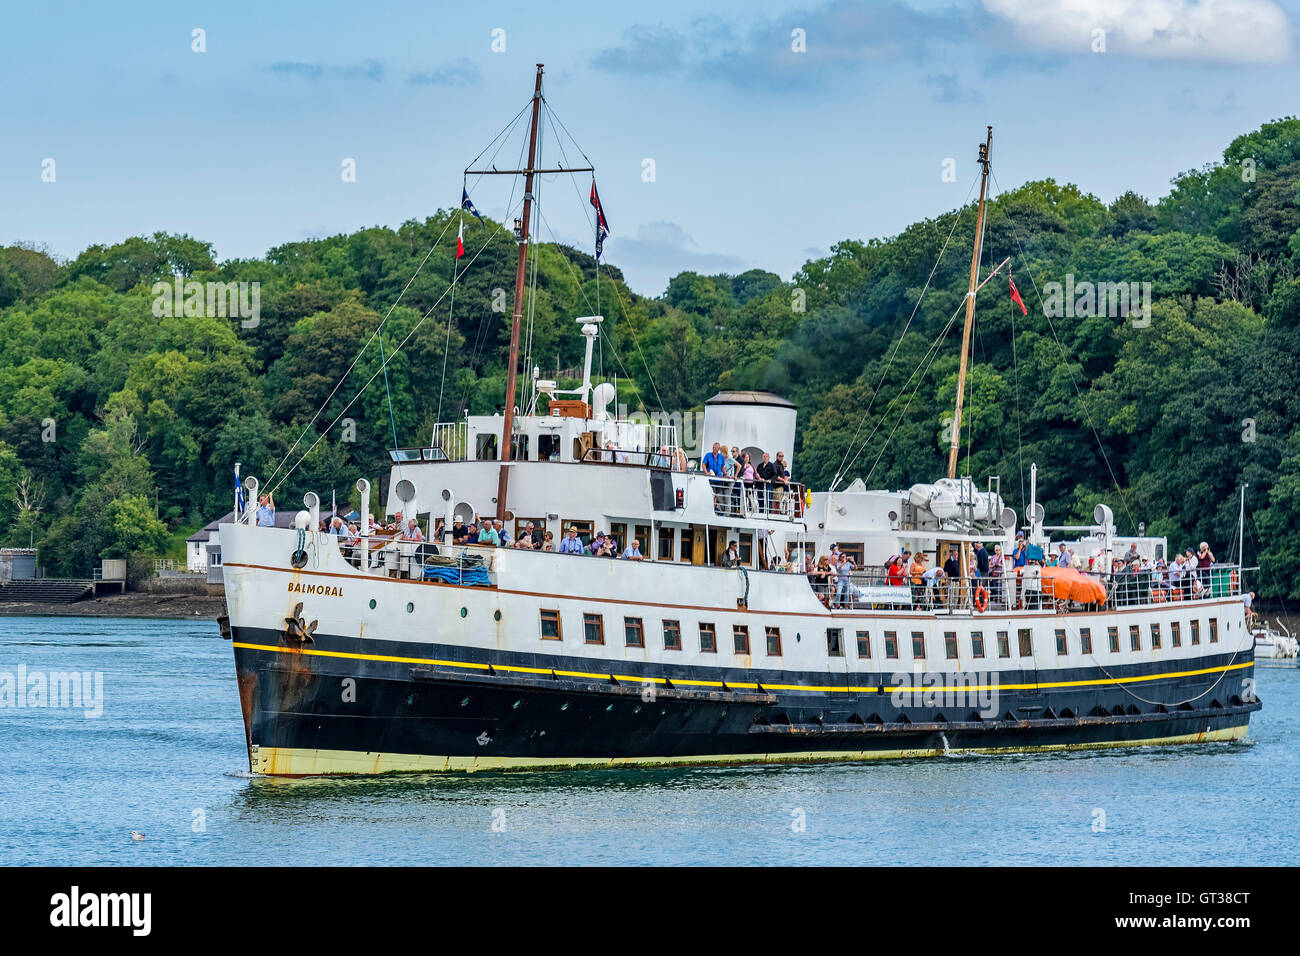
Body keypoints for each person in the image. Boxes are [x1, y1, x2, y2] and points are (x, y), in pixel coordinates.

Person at [702, 442, 727, 514]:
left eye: (715, 448)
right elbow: (703, 464)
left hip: (719, 478)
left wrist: (726, 474)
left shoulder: (721, 457)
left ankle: (715, 508)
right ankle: (712, 509)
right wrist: (706, 472)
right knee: (712, 493)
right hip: (711, 478)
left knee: (718, 494)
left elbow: (722, 467)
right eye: (713, 447)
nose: (713, 449)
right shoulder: (708, 455)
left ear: (718, 449)